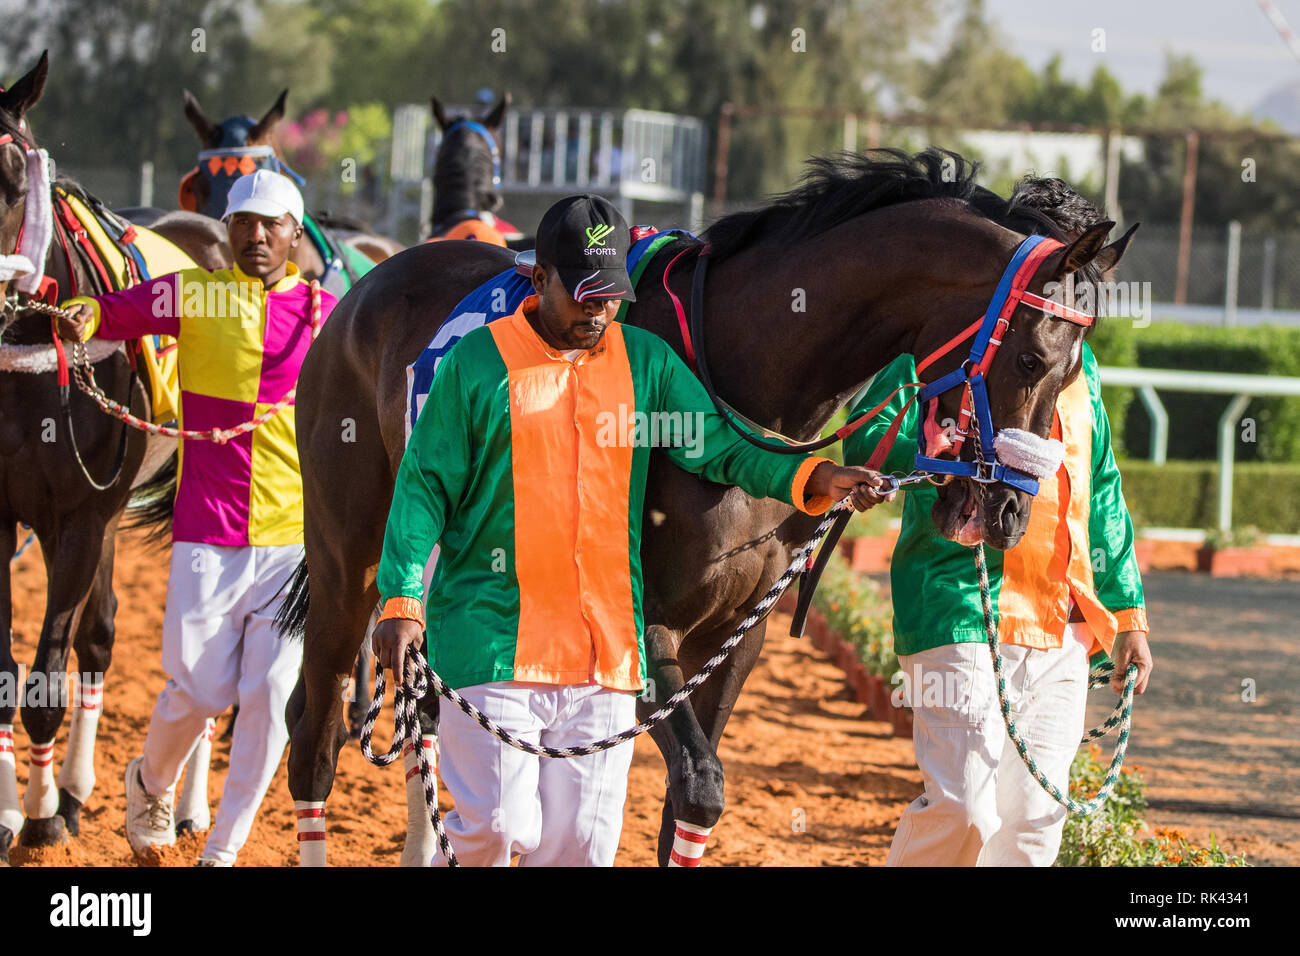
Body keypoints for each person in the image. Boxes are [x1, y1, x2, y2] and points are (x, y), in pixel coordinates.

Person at [371, 194, 891, 866]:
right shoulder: (477, 364)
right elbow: (422, 491)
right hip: (492, 641)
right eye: (584, 295)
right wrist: (402, 599)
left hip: (606, 658)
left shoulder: (644, 361)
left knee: (583, 849)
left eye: (611, 296)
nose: (599, 311)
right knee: (499, 829)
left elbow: (720, 445)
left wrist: (811, 479)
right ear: (538, 278)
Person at [843, 178, 1154, 867]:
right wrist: (937, 430)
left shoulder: (1078, 365)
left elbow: (1100, 488)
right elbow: (865, 443)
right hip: (956, 603)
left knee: (1033, 827)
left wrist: (1126, 614)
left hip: (1058, 629)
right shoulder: (942, 342)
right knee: (965, 809)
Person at [57, 170, 338, 866]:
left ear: (294, 235)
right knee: (200, 688)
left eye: (271, 224)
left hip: (288, 541)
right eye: (242, 223)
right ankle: (149, 780)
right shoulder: (195, 295)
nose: (255, 235)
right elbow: (109, 311)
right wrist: (81, 316)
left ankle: (222, 849)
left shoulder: (329, 314)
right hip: (207, 529)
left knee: (271, 698)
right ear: (228, 232)